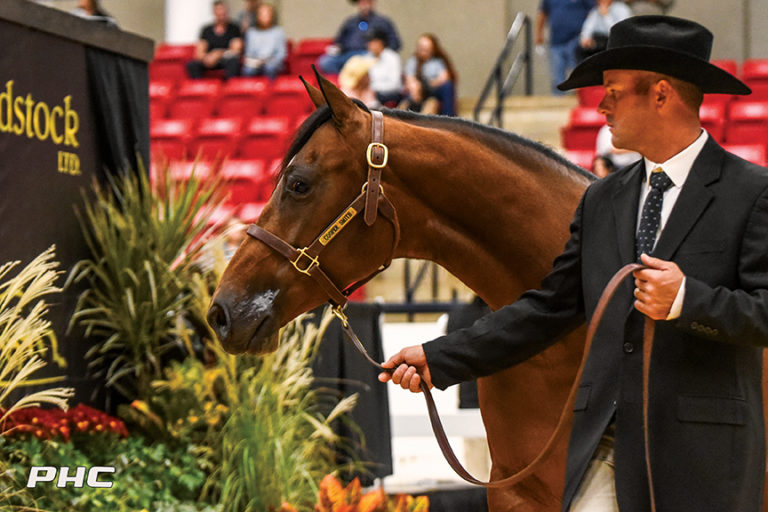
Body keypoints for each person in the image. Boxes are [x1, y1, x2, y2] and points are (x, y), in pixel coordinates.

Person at [380, 15, 767, 512]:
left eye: (613, 90)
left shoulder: (752, 193)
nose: (600, 104)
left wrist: (689, 301)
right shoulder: (602, 200)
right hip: (603, 446)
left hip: (705, 455)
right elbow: (549, 308)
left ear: (662, 94)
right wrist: (440, 357)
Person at [317, 0, 401, 75]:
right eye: (362, 2)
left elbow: (396, 43)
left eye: (368, 1)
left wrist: (380, 52)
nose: (365, 5)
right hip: (348, 55)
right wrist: (338, 48)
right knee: (325, 62)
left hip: (368, 55)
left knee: (366, 63)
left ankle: (358, 76)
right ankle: (348, 77)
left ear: (373, 2)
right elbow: (338, 41)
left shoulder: (383, 22)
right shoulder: (350, 22)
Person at [536, 0, 595, 95]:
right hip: (556, 41)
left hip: (577, 40)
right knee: (557, 76)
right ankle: (558, 101)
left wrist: (588, 34)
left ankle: (581, 99)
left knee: (579, 73)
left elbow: (592, 13)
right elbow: (542, 14)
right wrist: (539, 36)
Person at [401, 34, 457, 116]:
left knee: (447, 86)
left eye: (426, 49)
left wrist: (430, 84)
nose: (423, 52)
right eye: (421, 49)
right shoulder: (413, 61)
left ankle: (449, 117)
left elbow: (444, 77)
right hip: (417, 90)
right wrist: (416, 88)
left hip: (432, 89)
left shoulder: (437, 62)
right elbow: (410, 79)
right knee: (408, 93)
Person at [186, 0, 243, 80]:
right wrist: (207, 57)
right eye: (218, 10)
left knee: (233, 61)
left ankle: (230, 88)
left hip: (225, 59)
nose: (221, 13)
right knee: (192, 65)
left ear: (227, 11)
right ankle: (200, 88)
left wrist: (218, 54)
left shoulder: (234, 28)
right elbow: (199, 52)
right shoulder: (206, 30)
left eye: (223, 10)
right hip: (209, 60)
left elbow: (236, 51)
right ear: (214, 12)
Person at [241, 3, 286, 80]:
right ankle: (250, 91)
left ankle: (270, 90)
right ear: (257, 16)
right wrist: (257, 61)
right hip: (255, 62)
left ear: (272, 16)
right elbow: (249, 53)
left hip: (272, 62)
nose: (264, 17)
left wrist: (268, 60)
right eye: (262, 14)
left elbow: (281, 54)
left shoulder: (278, 32)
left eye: (267, 14)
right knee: (248, 70)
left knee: (269, 67)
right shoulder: (251, 32)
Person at [365, 30, 403, 106]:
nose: (368, 45)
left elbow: (395, 84)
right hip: (372, 93)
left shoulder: (393, 58)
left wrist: (373, 88)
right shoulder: (367, 57)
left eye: (371, 42)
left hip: (390, 94)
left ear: (380, 42)